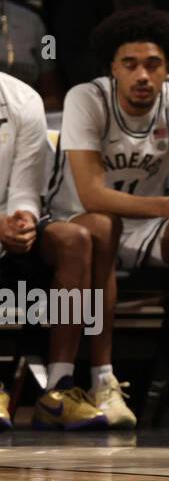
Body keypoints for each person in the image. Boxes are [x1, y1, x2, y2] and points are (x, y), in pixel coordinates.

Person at [41, 9, 169, 430]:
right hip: (74, 221)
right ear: (112, 68)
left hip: (146, 225)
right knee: (102, 223)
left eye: (153, 65)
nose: (142, 76)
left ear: (167, 69)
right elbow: (91, 194)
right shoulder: (87, 98)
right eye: (130, 65)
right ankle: (103, 380)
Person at [0, 70, 99, 431]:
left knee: (74, 240)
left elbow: (25, 187)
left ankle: (58, 388)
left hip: (7, 218)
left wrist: (22, 218)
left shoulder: (22, 99)